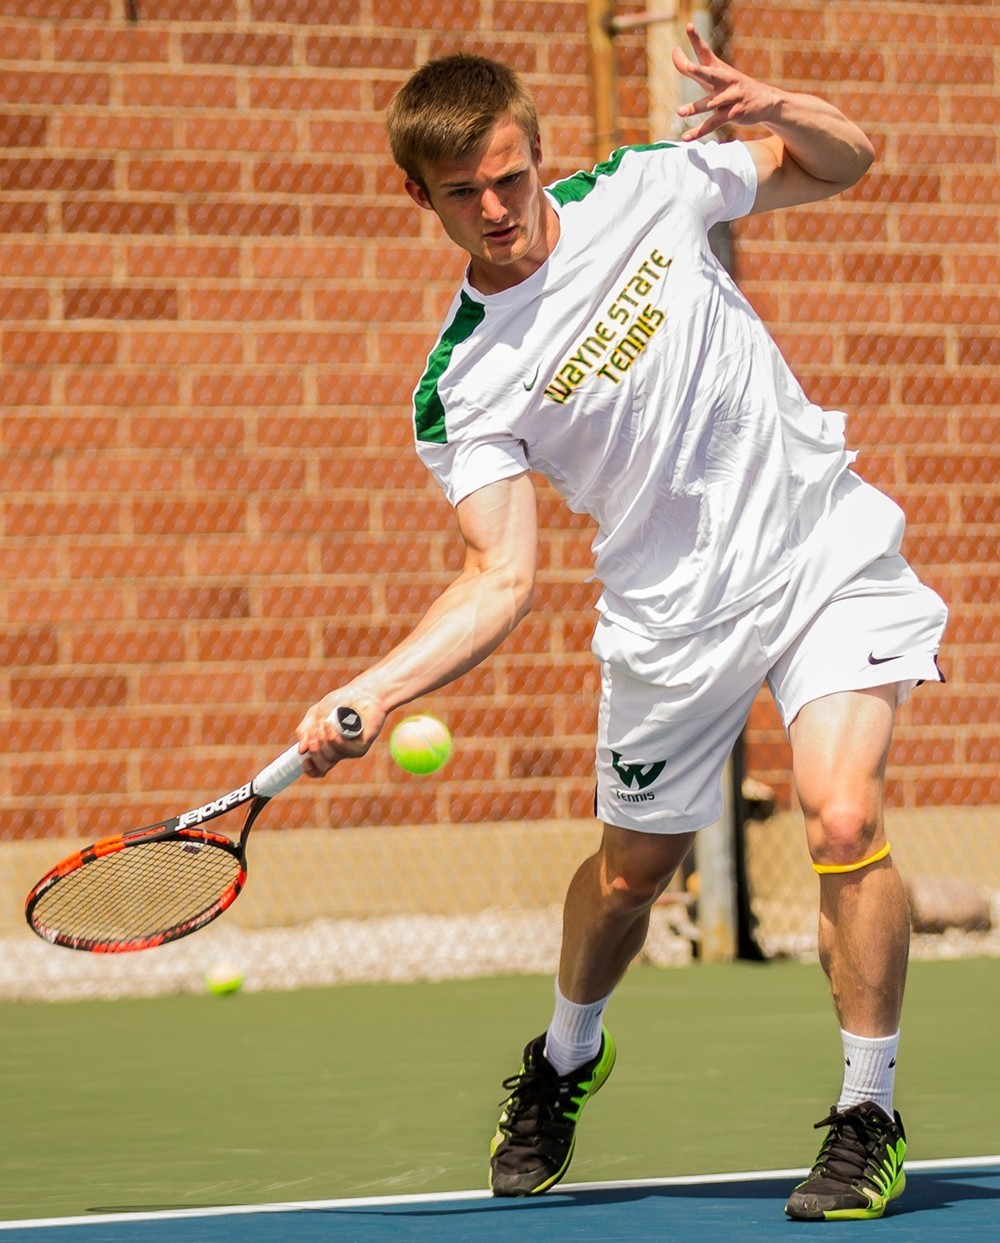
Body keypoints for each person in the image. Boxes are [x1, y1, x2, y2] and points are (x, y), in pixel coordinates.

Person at [295, 26, 947, 1223]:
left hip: (821, 549)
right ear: (418, 196)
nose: (497, 208)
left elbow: (845, 164)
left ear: (537, 153)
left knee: (843, 812)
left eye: (509, 176)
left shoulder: (639, 187)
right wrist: (384, 688)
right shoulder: (465, 379)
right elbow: (499, 577)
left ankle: (869, 1113)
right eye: (463, 194)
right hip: (670, 616)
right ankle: (561, 1056)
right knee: (631, 876)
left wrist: (785, 106)